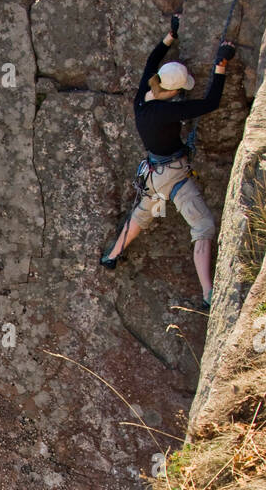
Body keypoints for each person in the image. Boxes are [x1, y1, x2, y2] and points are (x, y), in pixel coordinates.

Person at [100, 16, 236, 311]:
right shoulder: (167, 112)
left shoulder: (143, 96)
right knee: (203, 226)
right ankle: (208, 293)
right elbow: (210, 103)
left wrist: (170, 35)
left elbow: (153, 57)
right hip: (173, 176)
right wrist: (221, 65)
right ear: (173, 90)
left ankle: (112, 256)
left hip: (152, 174)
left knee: (142, 214)